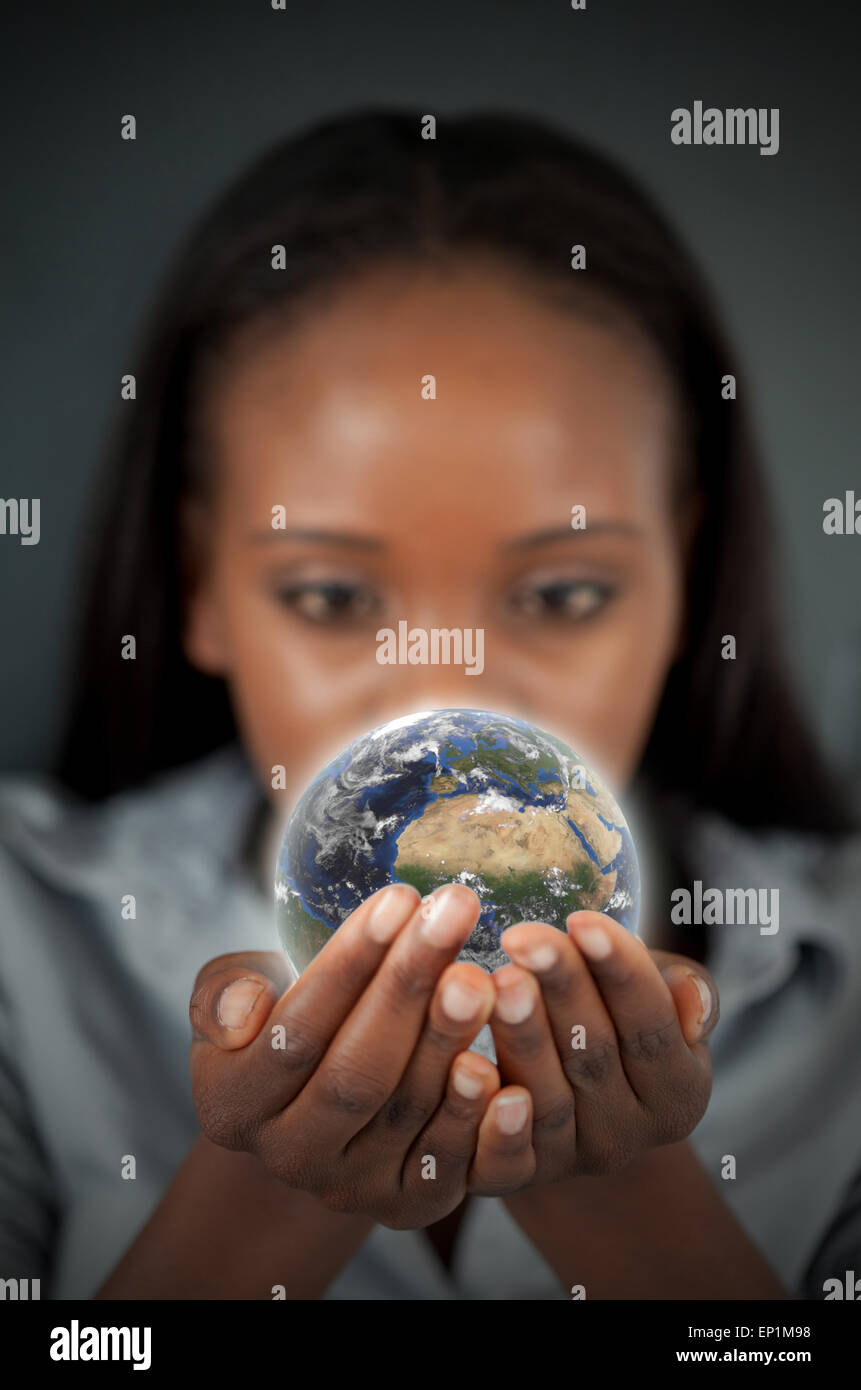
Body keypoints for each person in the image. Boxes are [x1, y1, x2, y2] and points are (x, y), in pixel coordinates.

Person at [1, 109, 859, 1301]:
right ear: (198, 584)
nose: (447, 704)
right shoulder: (20, 949)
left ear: (686, 581)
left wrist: (615, 1189)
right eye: (335, 593)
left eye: (562, 592)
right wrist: (269, 1190)